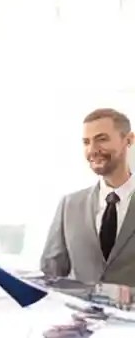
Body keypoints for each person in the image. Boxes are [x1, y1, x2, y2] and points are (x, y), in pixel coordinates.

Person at [41, 107, 135, 285]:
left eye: (102, 139)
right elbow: (51, 275)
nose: (92, 149)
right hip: (80, 313)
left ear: (128, 140)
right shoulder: (69, 205)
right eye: (86, 142)